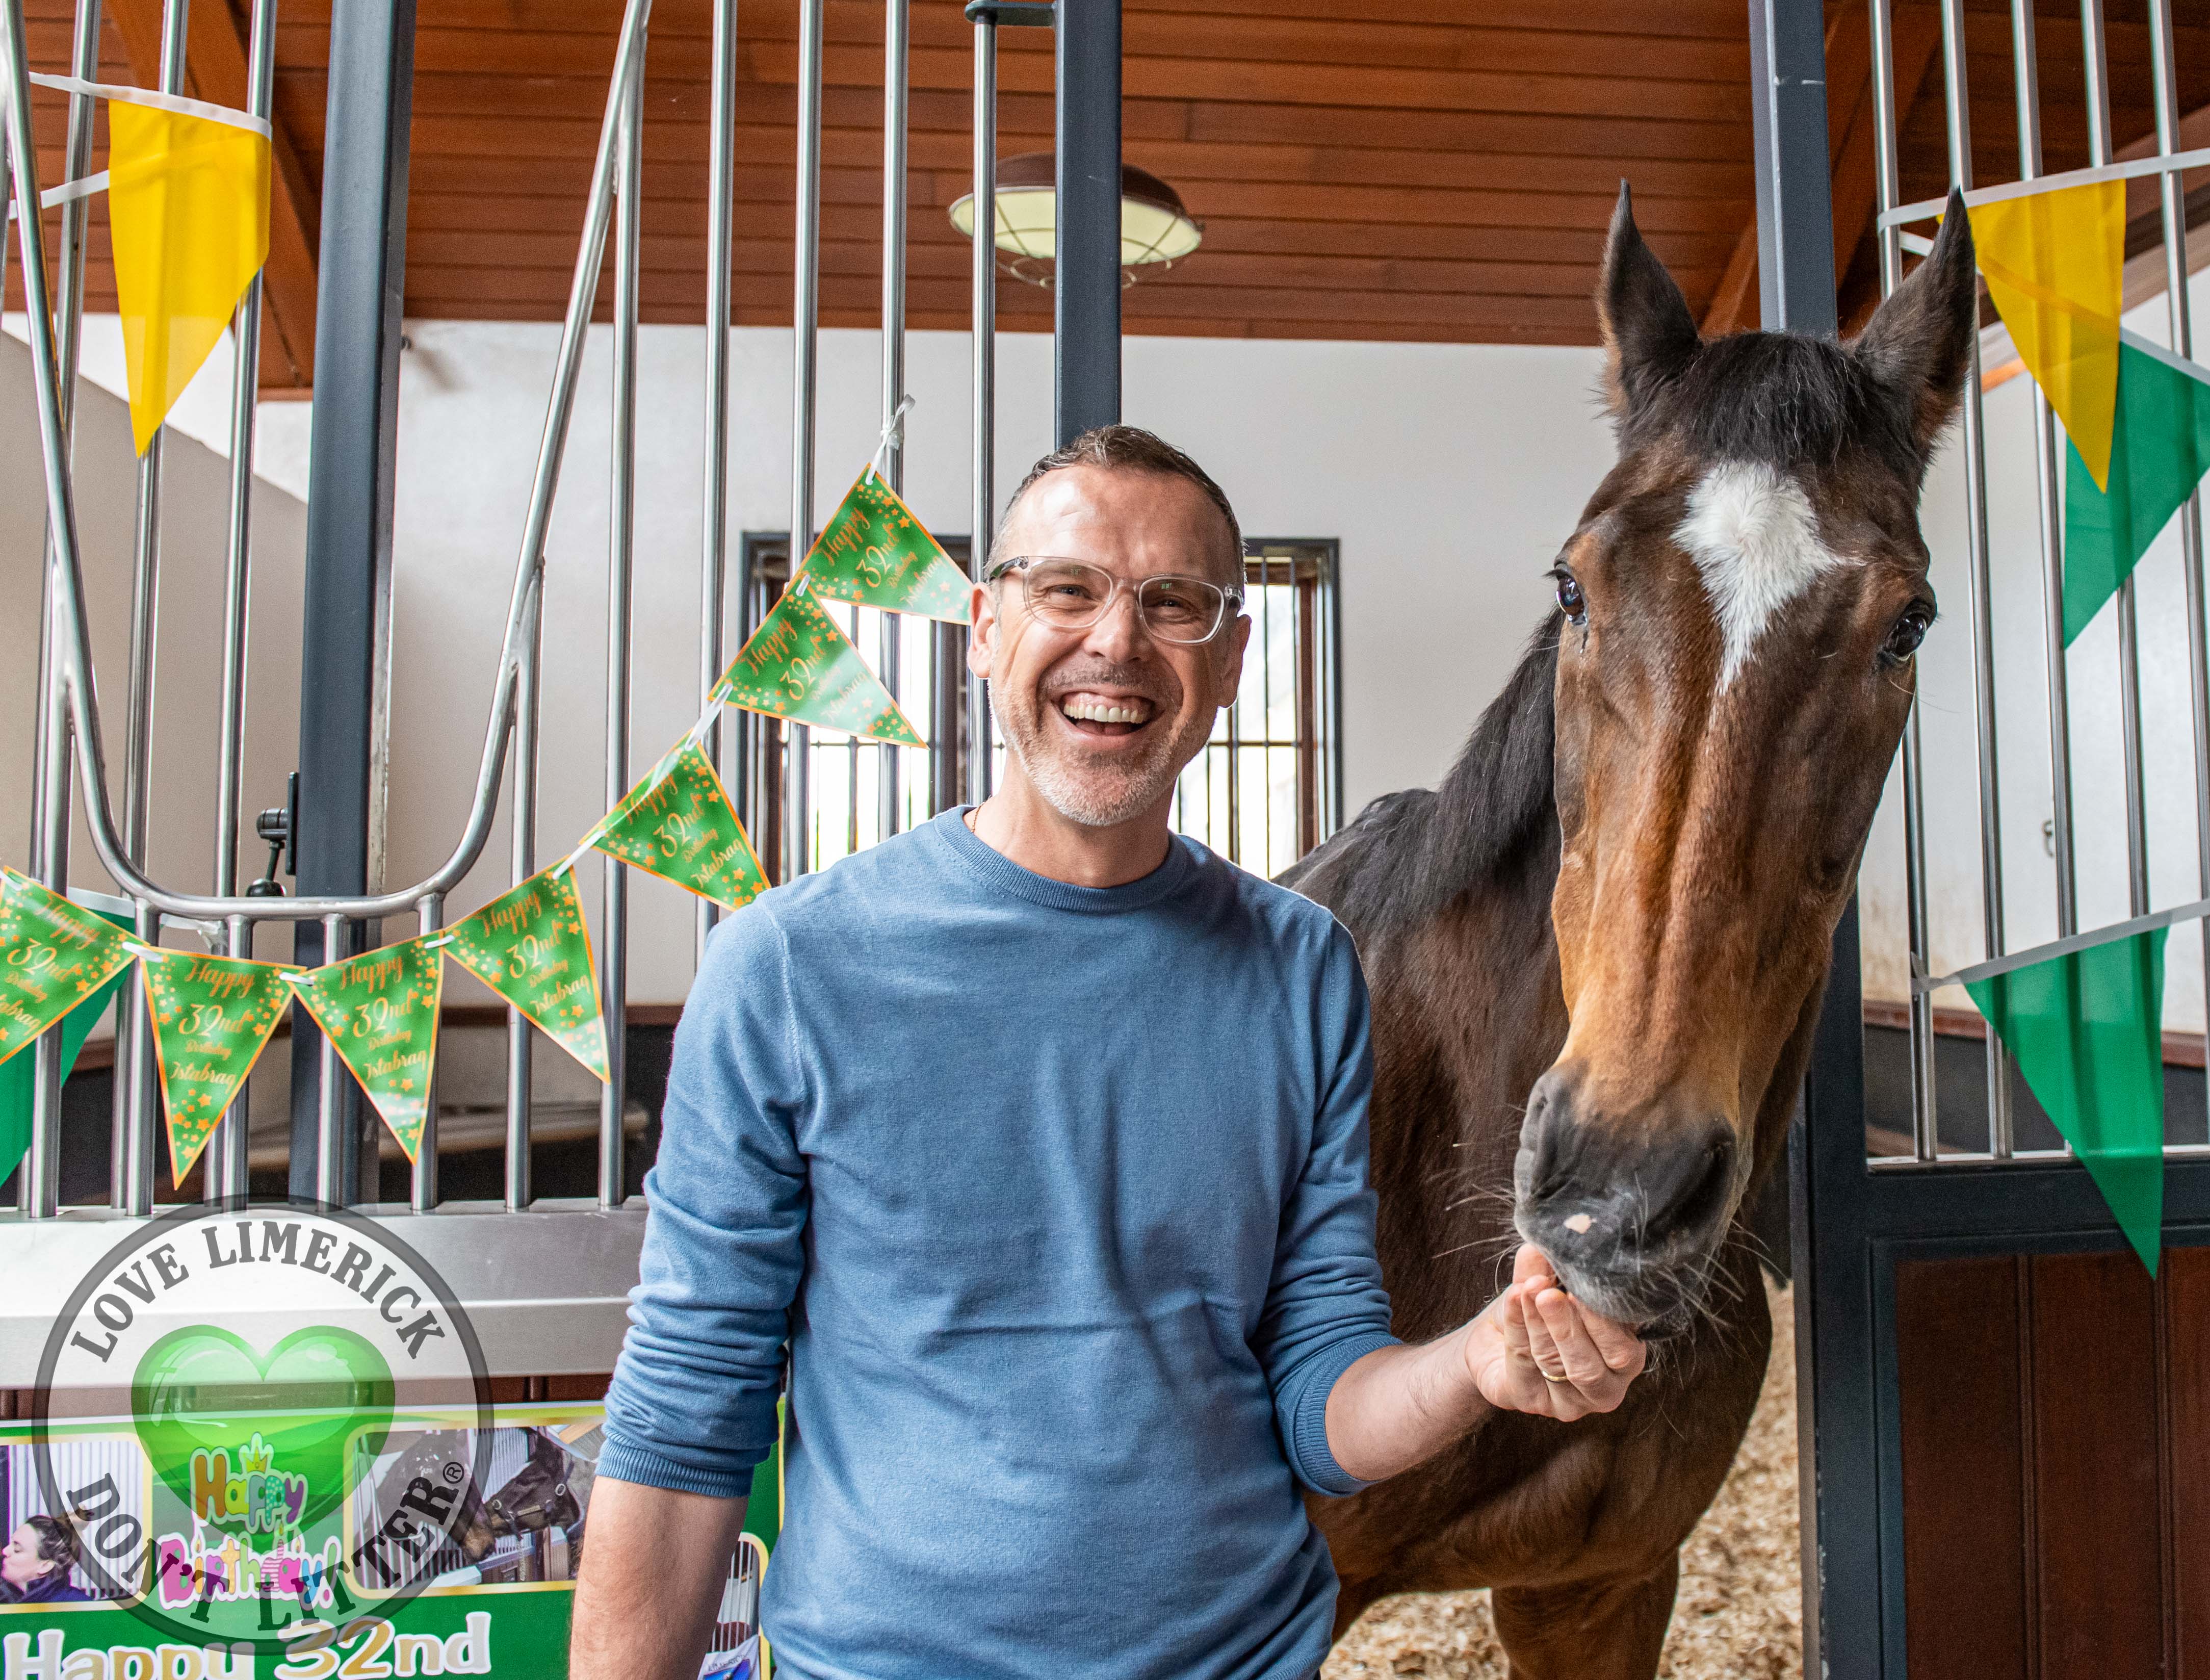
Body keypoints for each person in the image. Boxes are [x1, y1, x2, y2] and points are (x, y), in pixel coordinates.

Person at [571, 426, 1645, 1680]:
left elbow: (1319, 1401)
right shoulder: (789, 969)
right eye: (1066, 588)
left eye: (1173, 602)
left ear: (1231, 655)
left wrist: (1483, 1357)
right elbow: (685, 1421)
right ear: (984, 626)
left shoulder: (1303, 968)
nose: (1116, 642)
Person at [1, 1514, 94, 1604]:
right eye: (11, 1543)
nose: (5, 1551)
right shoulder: (9, 1598)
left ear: (45, 1566)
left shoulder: (78, 1610)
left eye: (17, 1549)